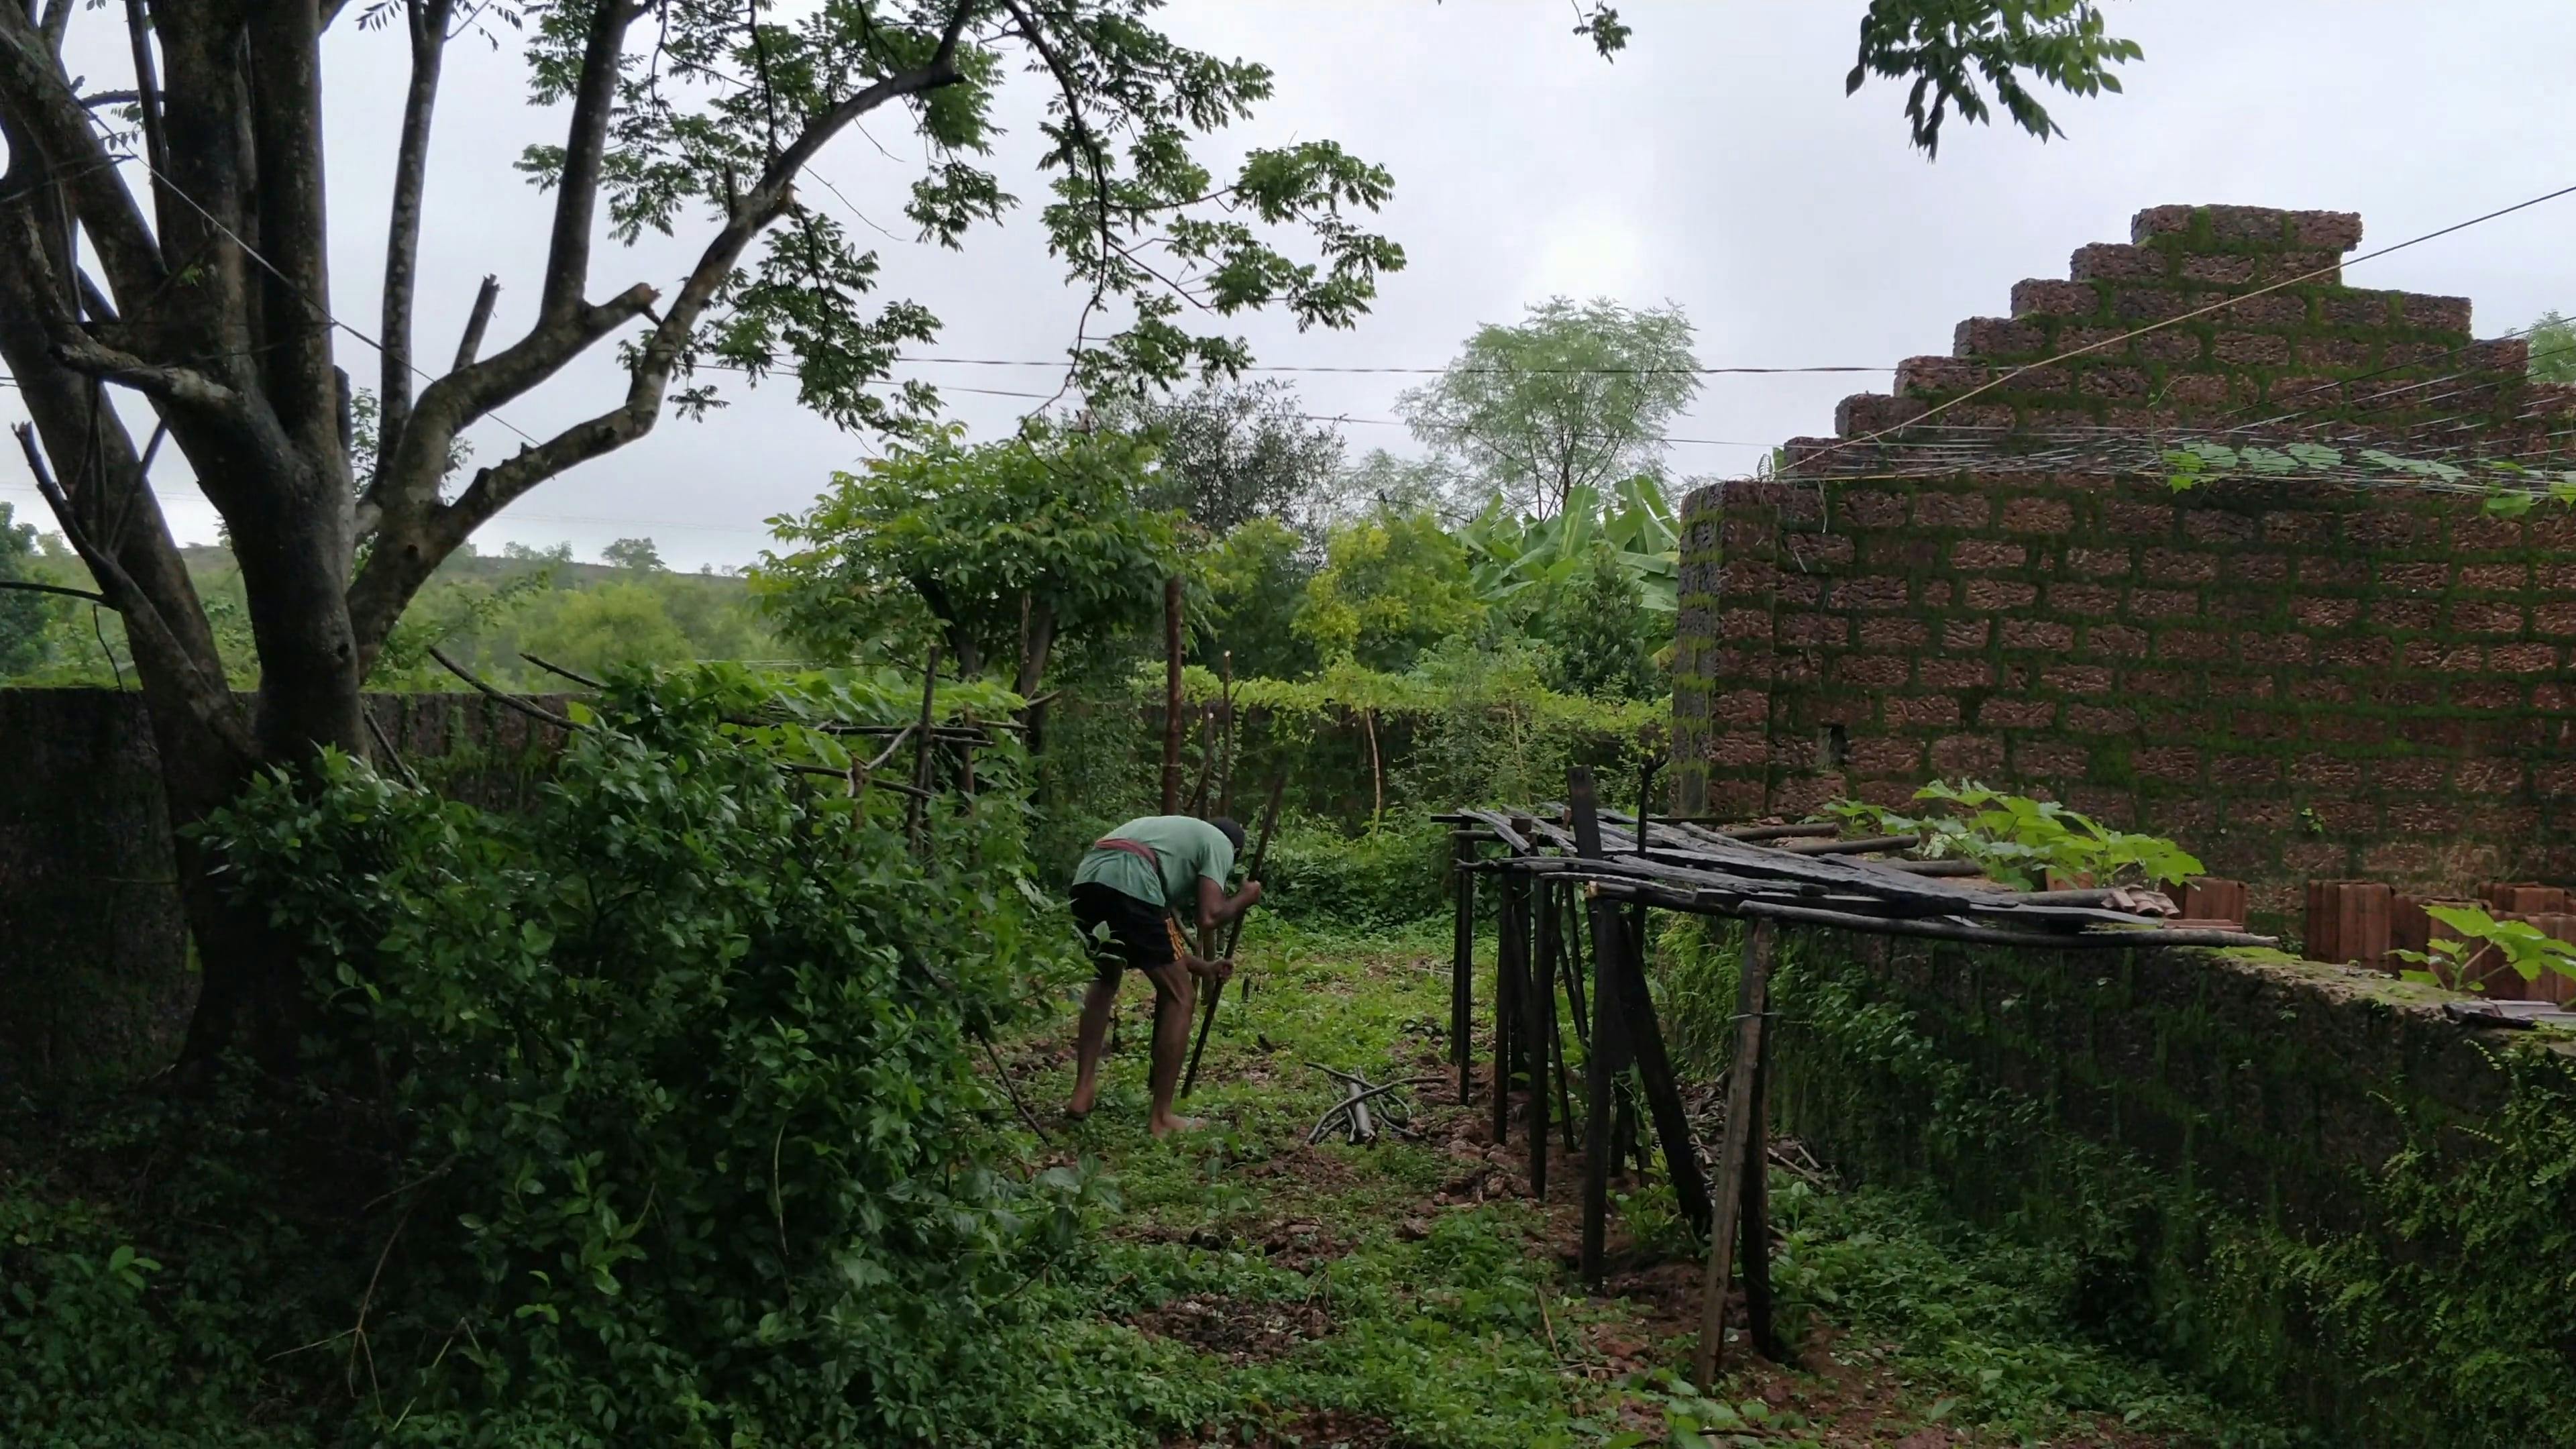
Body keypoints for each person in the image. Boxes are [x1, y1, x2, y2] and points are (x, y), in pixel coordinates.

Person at [1066, 813, 1264, 1136]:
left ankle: (1082, 1093)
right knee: (1181, 996)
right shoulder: (1219, 843)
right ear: (1235, 850)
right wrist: (1245, 898)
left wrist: (1205, 968)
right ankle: (1162, 1117)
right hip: (1131, 878)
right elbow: (1210, 916)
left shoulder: (1170, 839)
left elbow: (1159, 946)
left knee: (1105, 979)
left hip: (1089, 878)